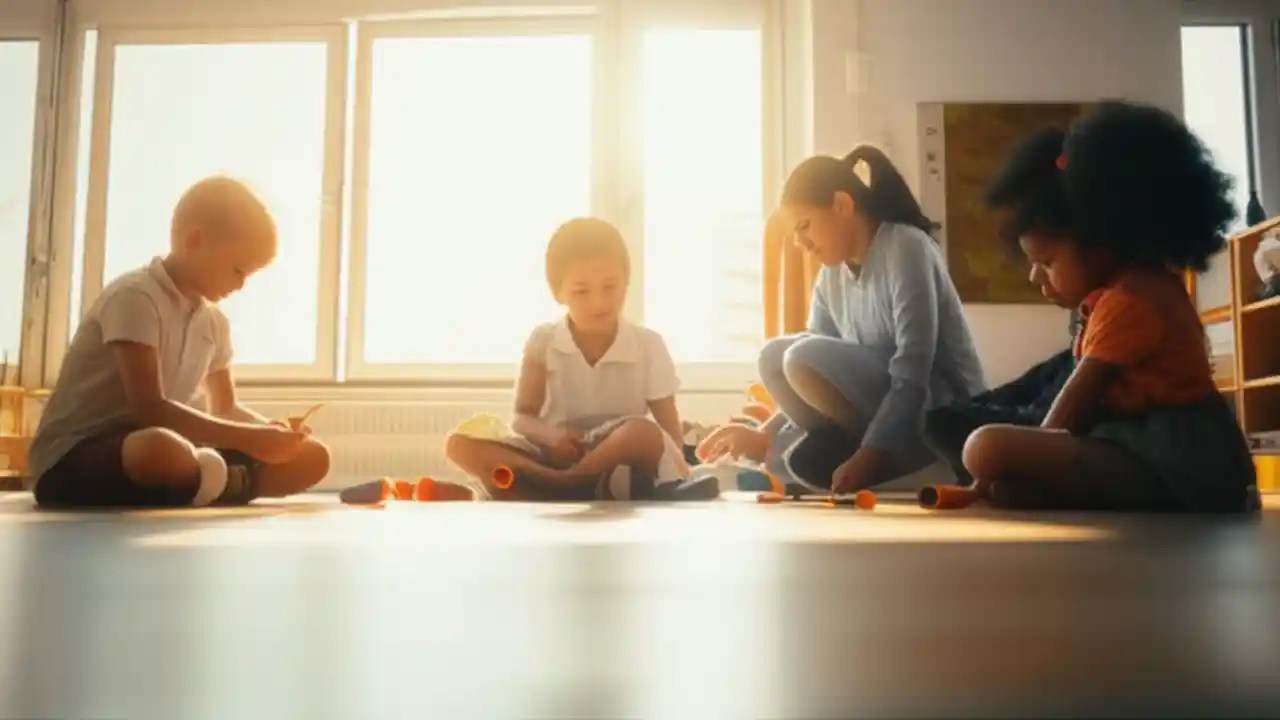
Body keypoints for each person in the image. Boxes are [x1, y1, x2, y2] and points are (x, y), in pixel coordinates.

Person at [962, 101, 1258, 512]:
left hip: (1178, 459)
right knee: (1009, 481)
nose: (1035, 278)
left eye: (1046, 262)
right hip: (1132, 442)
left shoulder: (1132, 301)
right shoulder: (1124, 294)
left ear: (1103, 240)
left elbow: (1063, 419)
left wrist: (1004, 464)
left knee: (985, 446)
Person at [698, 145, 986, 494]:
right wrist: (765, 435)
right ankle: (833, 453)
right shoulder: (831, 277)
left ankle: (882, 457)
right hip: (879, 414)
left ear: (842, 205)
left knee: (799, 357)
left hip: (940, 418)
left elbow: (913, 373)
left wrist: (871, 453)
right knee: (773, 357)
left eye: (805, 226)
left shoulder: (906, 248)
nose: (802, 243)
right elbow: (810, 378)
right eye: (795, 236)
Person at [30, 177, 331, 507]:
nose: (241, 285)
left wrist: (272, 436)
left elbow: (226, 407)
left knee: (312, 456)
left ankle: (208, 482)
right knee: (159, 450)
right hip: (81, 454)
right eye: (237, 270)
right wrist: (249, 439)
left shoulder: (214, 321)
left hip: (181, 447)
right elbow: (149, 408)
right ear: (195, 241)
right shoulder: (135, 297)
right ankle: (215, 481)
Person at [445, 218, 690, 500]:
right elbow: (522, 418)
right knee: (460, 444)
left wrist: (678, 468)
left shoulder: (649, 344)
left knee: (642, 431)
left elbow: (668, 430)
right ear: (558, 293)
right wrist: (554, 439)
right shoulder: (543, 340)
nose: (599, 302)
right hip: (552, 455)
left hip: (617, 461)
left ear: (627, 282)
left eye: (610, 287)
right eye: (581, 291)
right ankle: (560, 481)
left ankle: (566, 484)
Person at [924, 297, 1078, 486]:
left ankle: (989, 480)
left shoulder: (1091, 366)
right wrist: (972, 405)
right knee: (937, 418)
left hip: (1040, 432)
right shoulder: (1067, 359)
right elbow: (1018, 389)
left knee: (956, 428)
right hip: (1024, 421)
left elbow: (1048, 424)